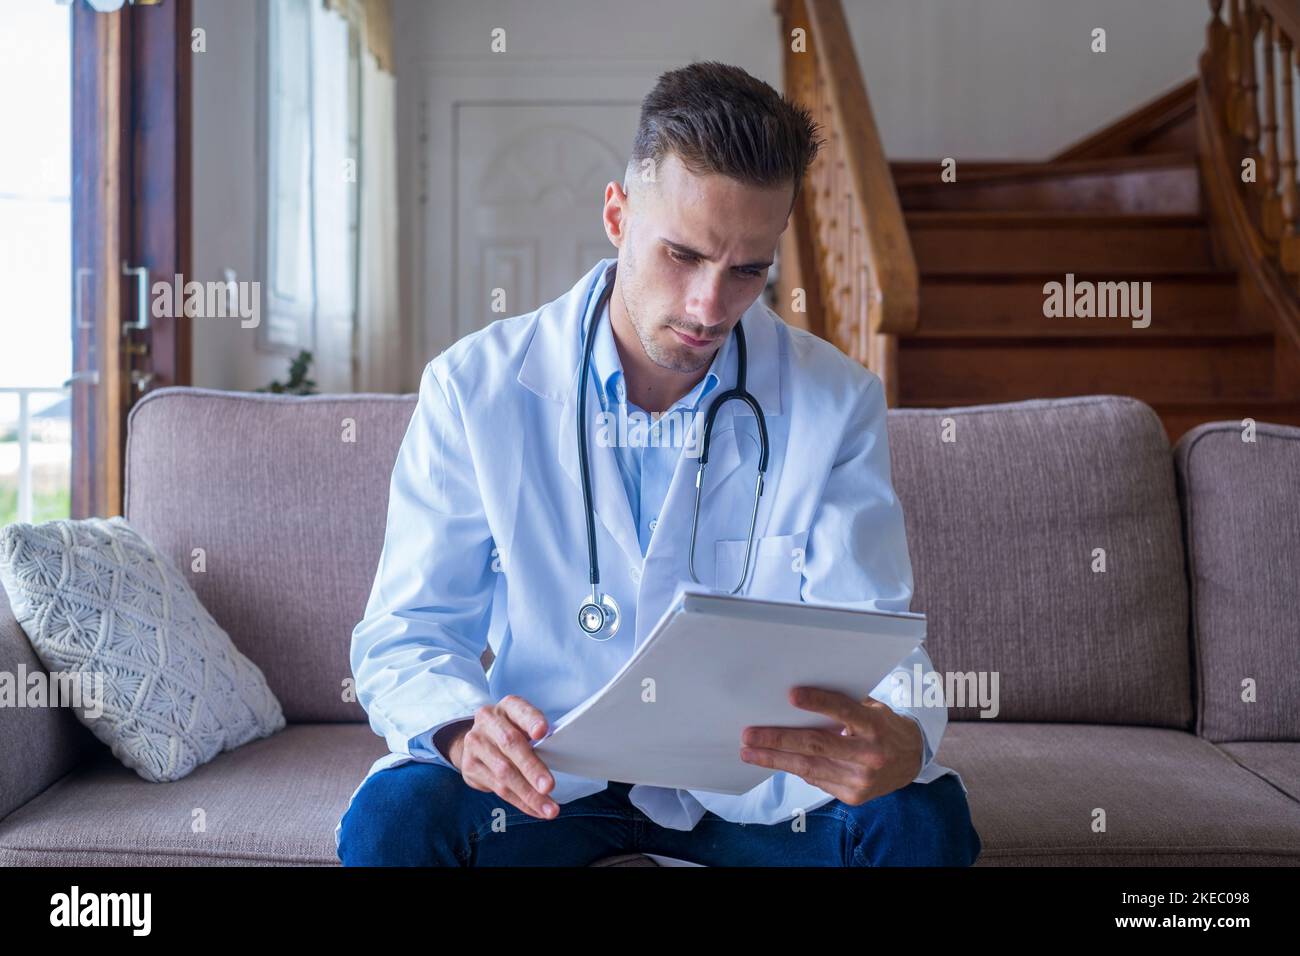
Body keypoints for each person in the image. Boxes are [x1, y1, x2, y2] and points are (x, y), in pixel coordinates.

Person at [337, 61, 981, 867]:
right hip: (551, 779)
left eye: (749, 270)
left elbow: (877, 637)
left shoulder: (835, 402)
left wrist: (904, 736)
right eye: (682, 254)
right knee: (393, 823)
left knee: (921, 821)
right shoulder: (475, 389)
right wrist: (465, 729)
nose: (711, 307)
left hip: (752, 787)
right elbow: (409, 631)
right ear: (618, 214)